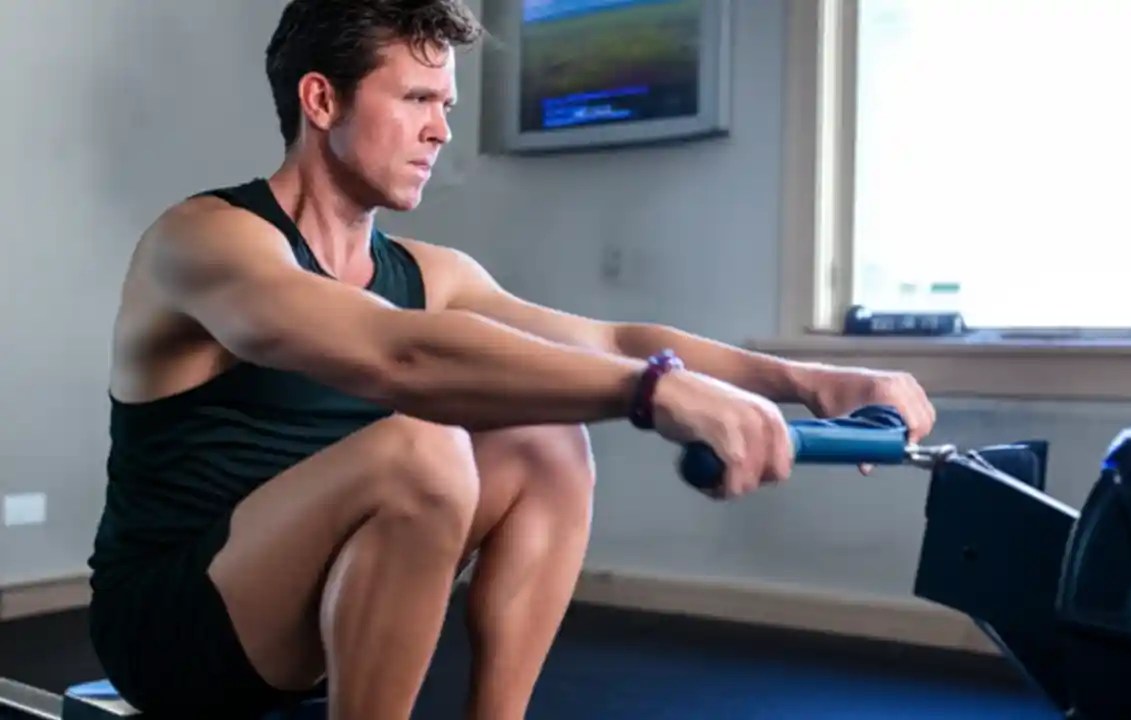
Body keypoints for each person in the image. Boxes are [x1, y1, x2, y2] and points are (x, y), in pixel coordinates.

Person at [86, 1, 936, 718]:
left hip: (318, 599)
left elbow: (612, 343)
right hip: (175, 625)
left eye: (448, 105)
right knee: (421, 450)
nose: (440, 130)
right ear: (320, 100)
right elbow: (398, 355)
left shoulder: (429, 272)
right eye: (417, 98)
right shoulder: (206, 241)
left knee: (545, 438)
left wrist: (809, 381)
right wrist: (655, 397)